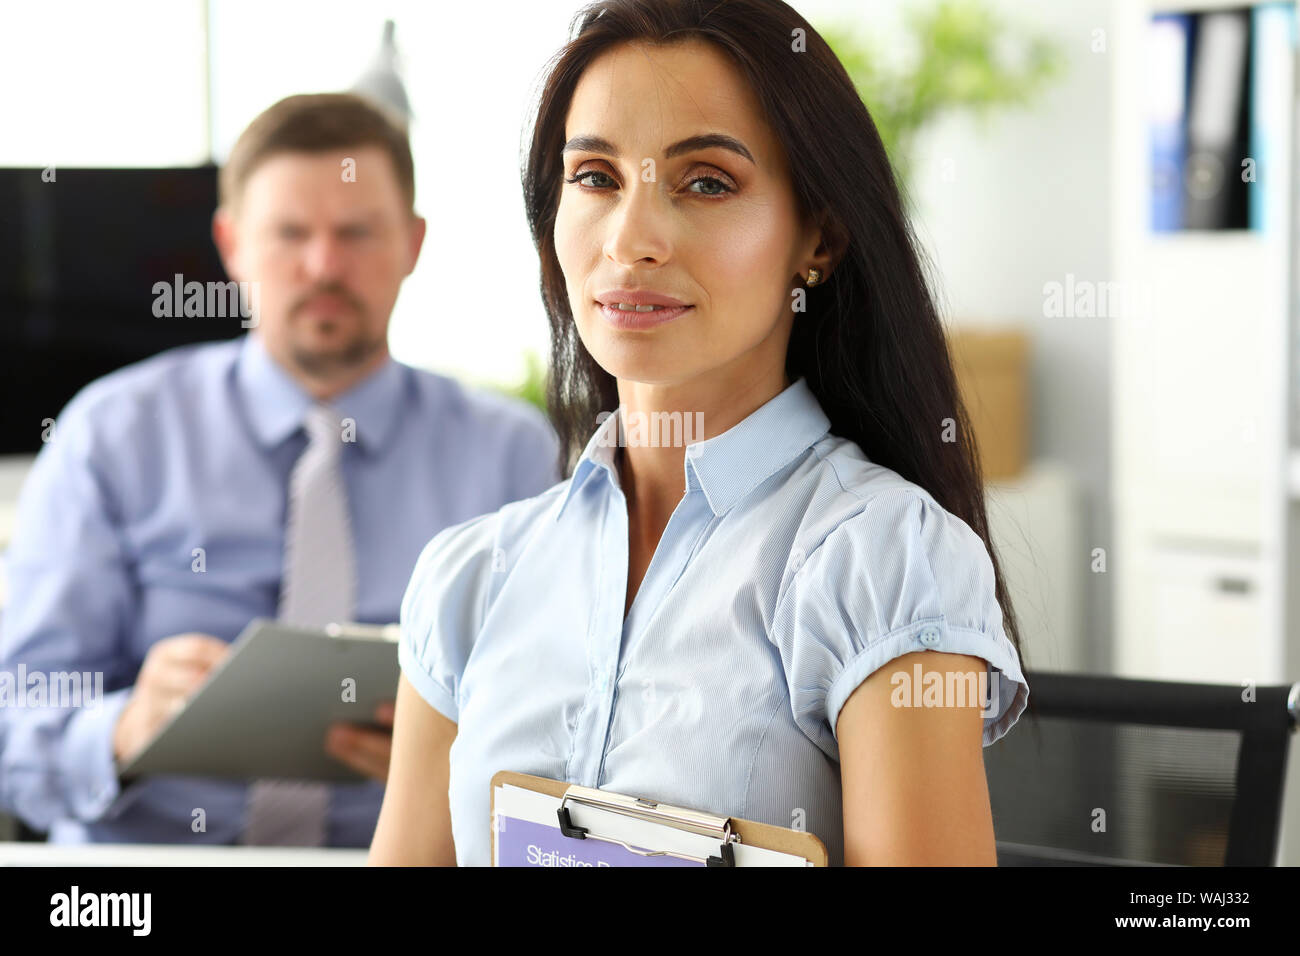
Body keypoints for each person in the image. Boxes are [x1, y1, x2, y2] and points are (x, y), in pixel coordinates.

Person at [371, 0, 1030, 868]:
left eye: (707, 182)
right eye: (596, 178)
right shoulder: (472, 581)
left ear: (818, 240)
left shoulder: (878, 560)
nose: (632, 238)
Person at [0, 92, 561, 846]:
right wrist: (117, 733)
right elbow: (14, 726)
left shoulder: (514, 455)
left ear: (414, 243)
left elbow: (575, 728)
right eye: (291, 233)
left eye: (357, 232)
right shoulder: (113, 433)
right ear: (231, 245)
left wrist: (467, 761)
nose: (324, 265)